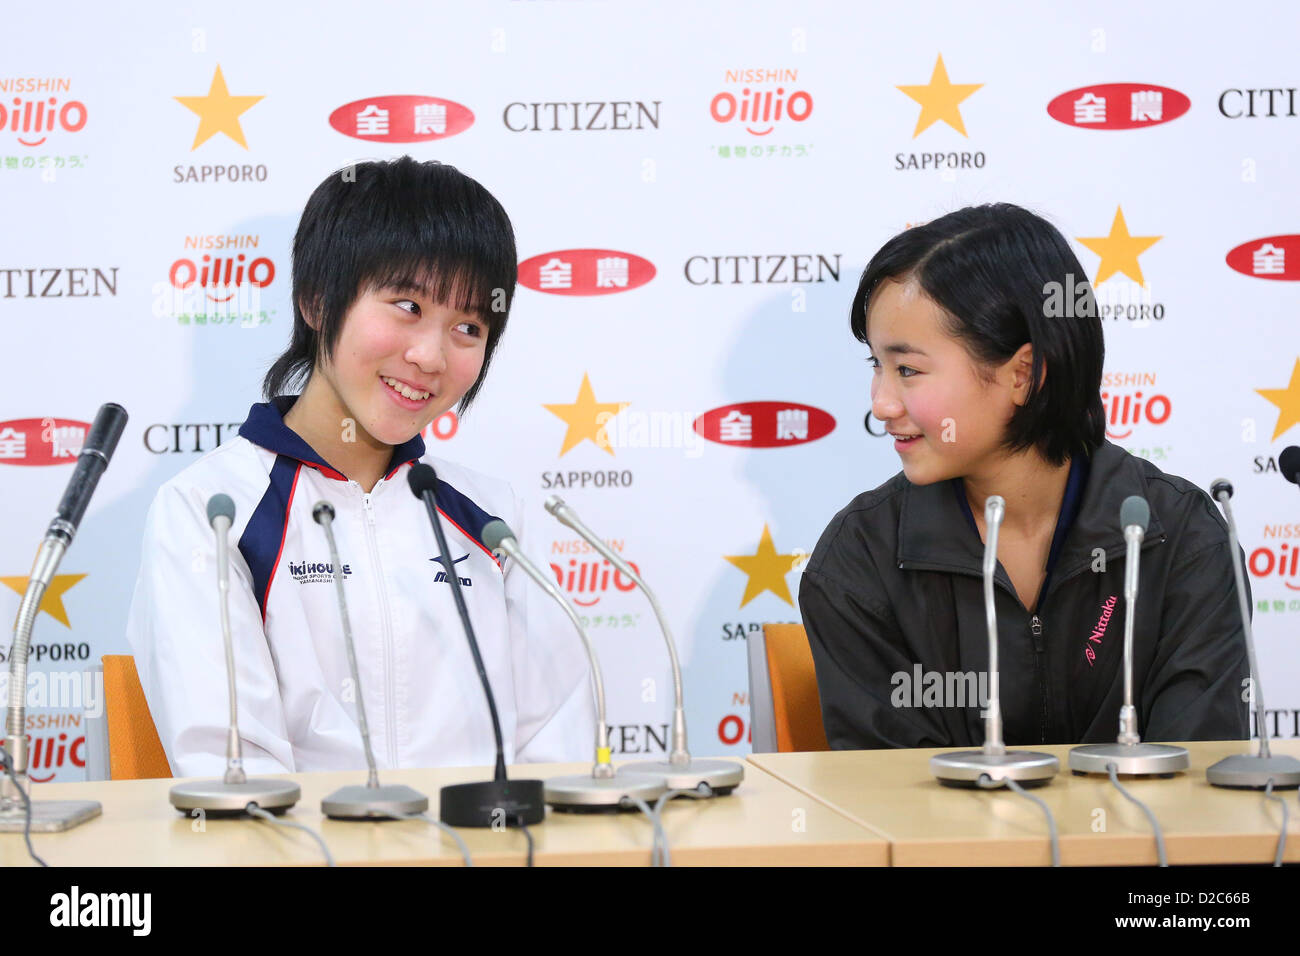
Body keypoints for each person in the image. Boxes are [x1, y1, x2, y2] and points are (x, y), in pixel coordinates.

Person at [126, 157, 595, 777]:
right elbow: (235, 776)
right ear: (318, 301)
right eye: (406, 305)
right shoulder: (211, 512)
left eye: (468, 326)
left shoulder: (493, 516)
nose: (429, 355)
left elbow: (558, 753)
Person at [800, 203, 1249, 750]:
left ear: (1023, 373)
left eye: (908, 370)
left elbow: (1198, 787)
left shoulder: (1182, 538)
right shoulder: (859, 560)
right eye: (876, 365)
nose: (880, 404)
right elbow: (896, 808)